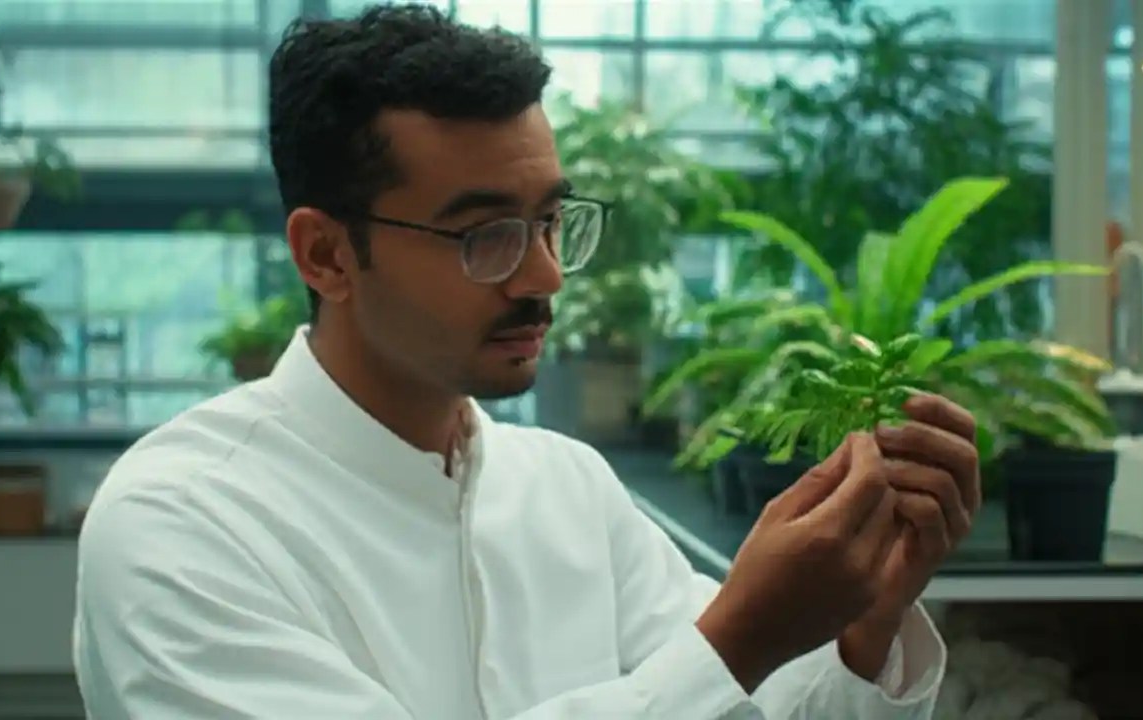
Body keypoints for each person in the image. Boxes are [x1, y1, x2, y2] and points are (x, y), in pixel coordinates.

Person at [73, 4, 981, 718]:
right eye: (485, 236)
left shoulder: (567, 489)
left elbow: (745, 708)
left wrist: (866, 622)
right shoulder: (183, 523)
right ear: (326, 255)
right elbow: (714, 673)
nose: (544, 274)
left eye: (549, 221)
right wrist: (739, 637)